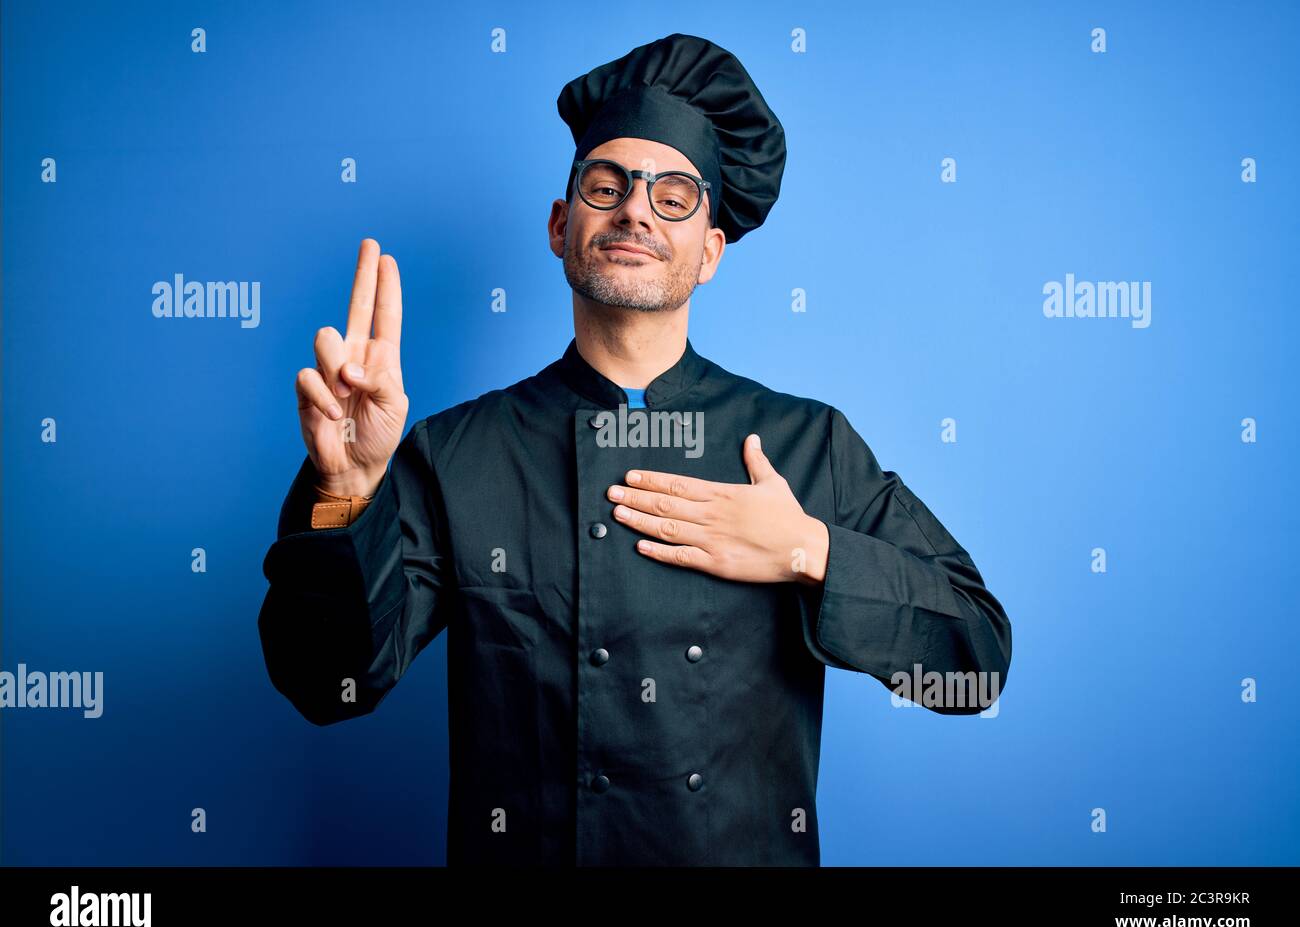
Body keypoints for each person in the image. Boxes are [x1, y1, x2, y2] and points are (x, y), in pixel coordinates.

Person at [257, 32, 1013, 866]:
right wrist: (346, 492)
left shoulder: (808, 443)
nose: (636, 210)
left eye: (675, 195)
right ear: (560, 224)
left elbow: (976, 664)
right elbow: (327, 686)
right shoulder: (456, 453)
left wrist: (807, 550)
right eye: (606, 184)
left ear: (711, 253)